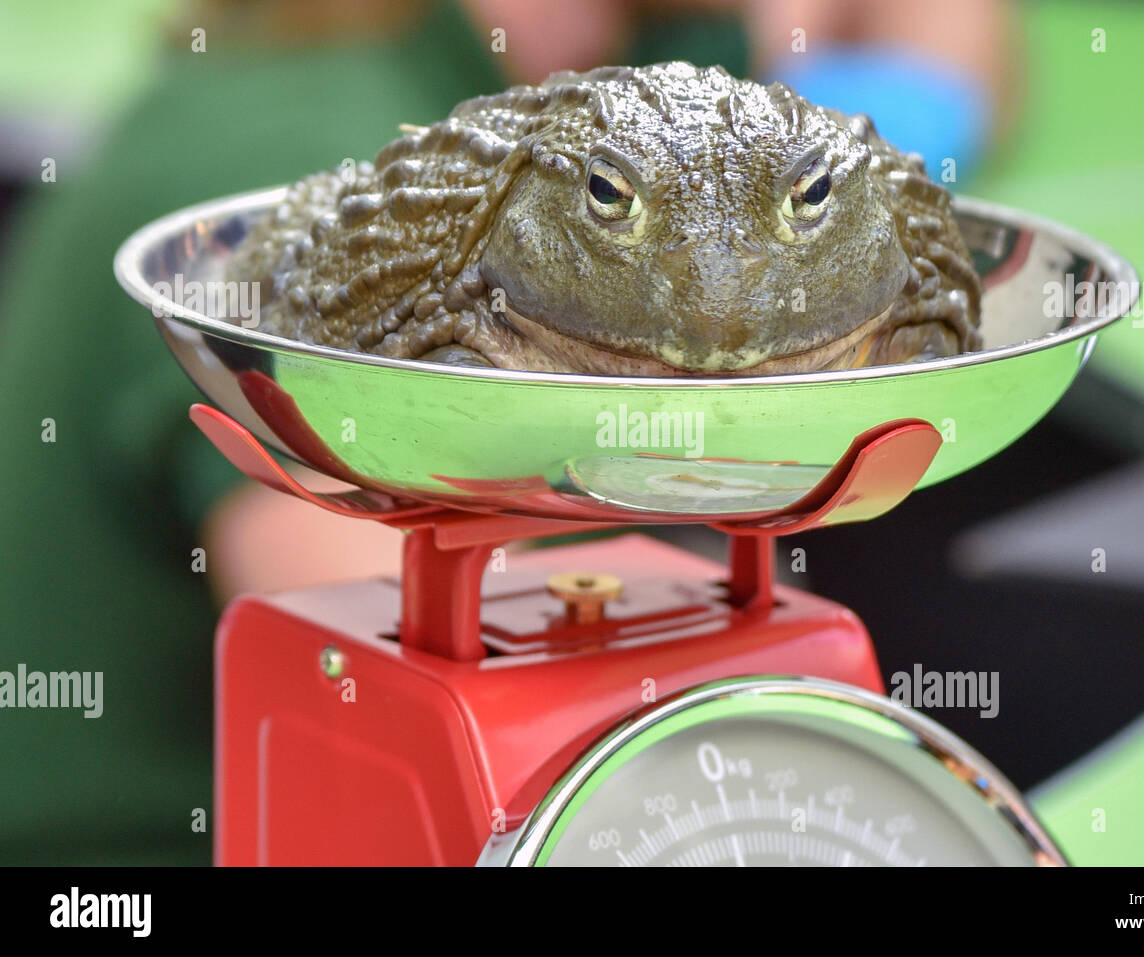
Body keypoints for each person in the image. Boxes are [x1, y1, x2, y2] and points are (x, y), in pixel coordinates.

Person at [0, 0, 1016, 864]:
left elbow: (936, 65)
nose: (719, 294)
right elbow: (351, 639)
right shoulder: (304, 147)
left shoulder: (659, 99)